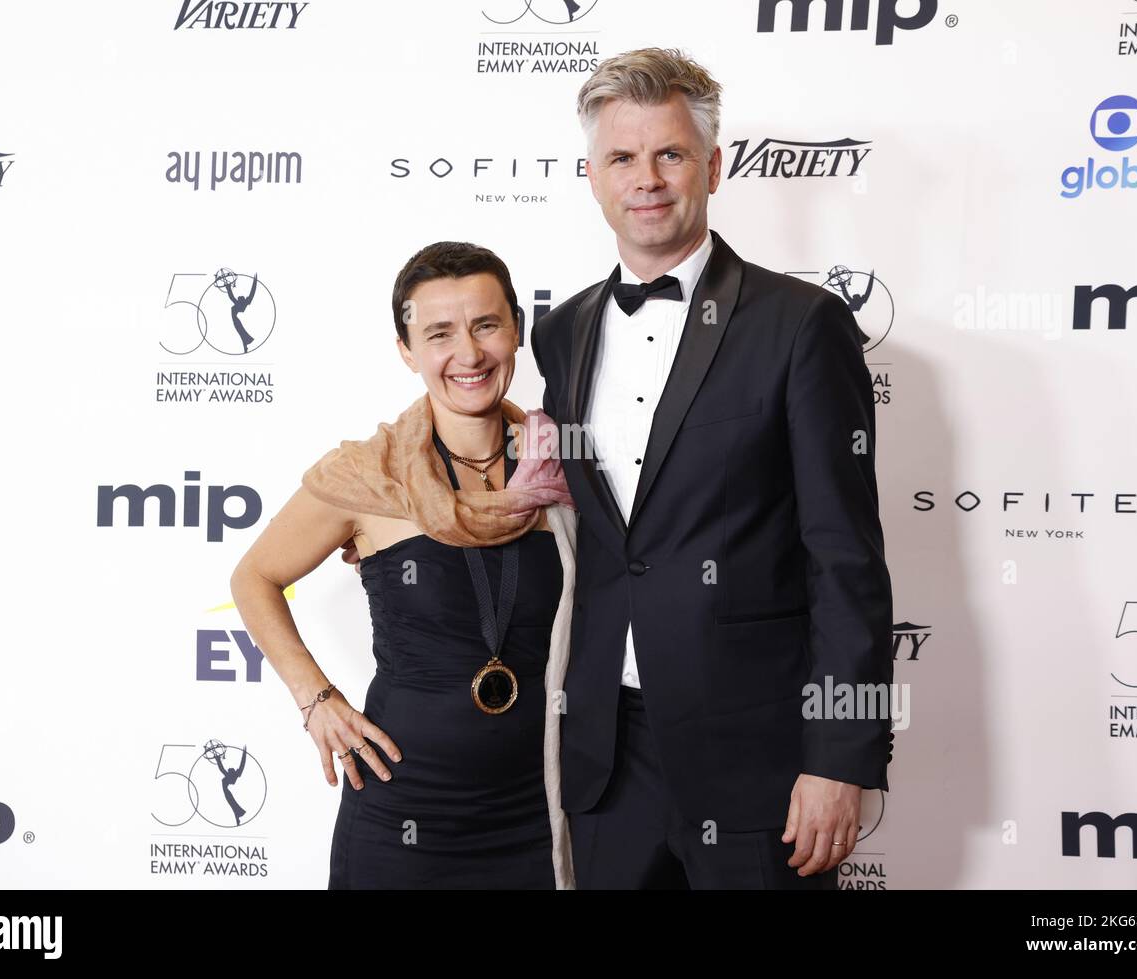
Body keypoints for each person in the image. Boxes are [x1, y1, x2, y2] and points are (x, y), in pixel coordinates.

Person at [528, 47, 896, 889]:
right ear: (592, 174)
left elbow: (846, 559)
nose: (646, 179)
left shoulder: (802, 324)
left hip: (757, 763)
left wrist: (842, 757)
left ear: (713, 167)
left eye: (671, 154)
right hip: (605, 761)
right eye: (622, 157)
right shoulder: (564, 332)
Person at [229, 242, 578, 889]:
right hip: (403, 814)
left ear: (517, 332)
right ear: (406, 349)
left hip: (539, 810)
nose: (468, 354)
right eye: (439, 333)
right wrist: (316, 698)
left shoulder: (564, 465)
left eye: (486, 325)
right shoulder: (370, 474)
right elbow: (254, 577)